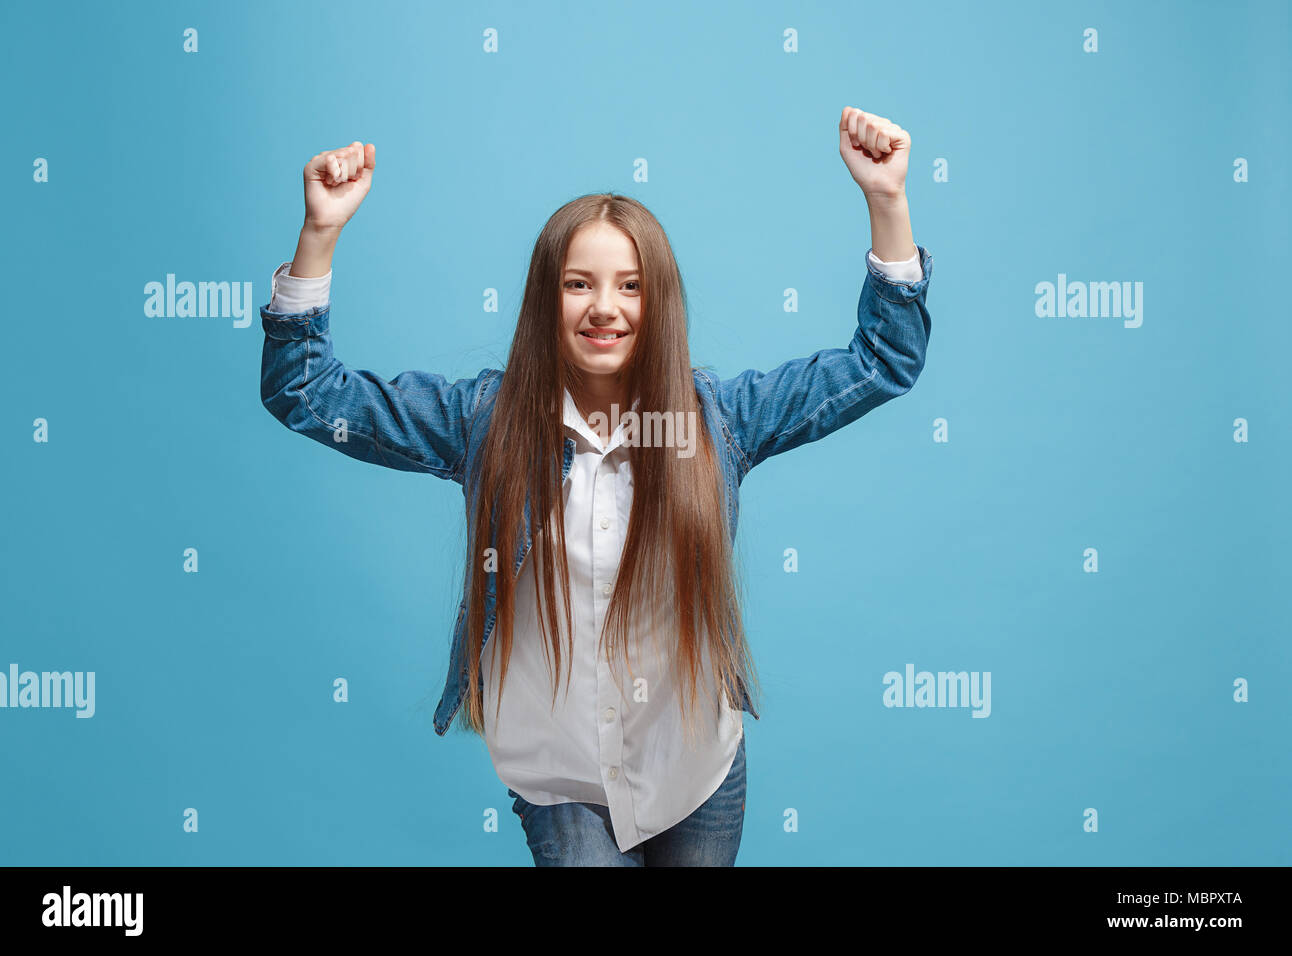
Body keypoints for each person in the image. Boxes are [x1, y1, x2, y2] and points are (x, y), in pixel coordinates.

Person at [258, 106, 933, 866]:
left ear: (660, 303)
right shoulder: (484, 420)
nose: (604, 307)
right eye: (579, 283)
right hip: (560, 776)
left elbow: (882, 362)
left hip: (695, 773)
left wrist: (887, 201)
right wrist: (320, 233)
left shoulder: (718, 422)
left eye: (630, 286)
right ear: (548, 301)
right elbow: (307, 394)